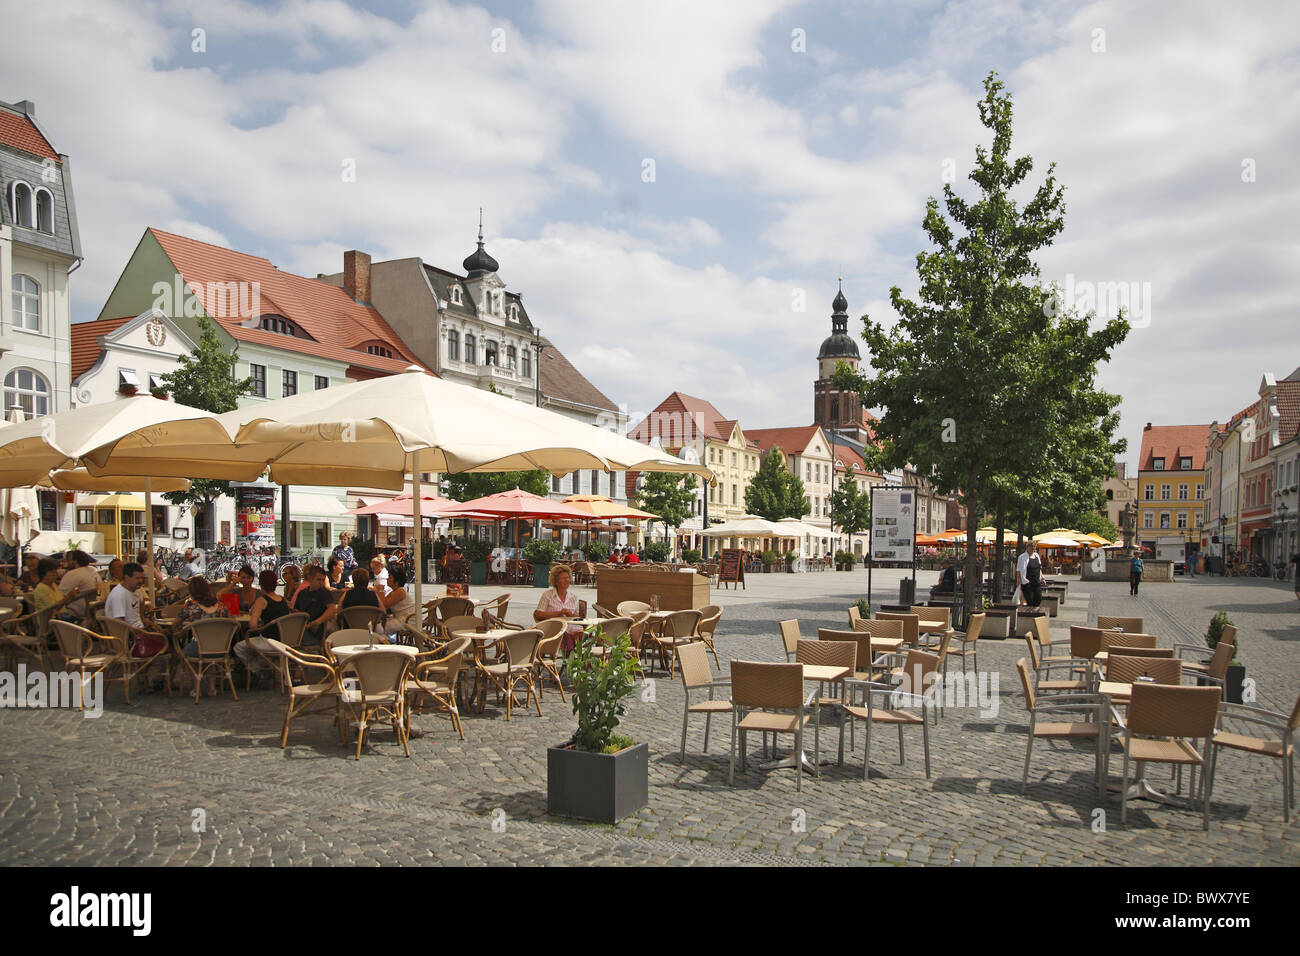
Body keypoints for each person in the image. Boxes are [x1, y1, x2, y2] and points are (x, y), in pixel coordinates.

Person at [234, 570, 291, 680]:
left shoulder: (261, 600)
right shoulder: (282, 600)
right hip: (283, 641)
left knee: (239, 647)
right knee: (256, 648)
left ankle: (256, 670)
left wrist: (260, 627)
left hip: (268, 641)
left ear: (261, 584)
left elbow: (252, 625)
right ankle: (266, 665)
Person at [105, 562, 167, 656]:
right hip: (129, 639)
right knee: (168, 642)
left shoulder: (137, 592)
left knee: (170, 636)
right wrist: (143, 632)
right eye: (137, 578)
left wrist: (153, 626)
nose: (141, 581)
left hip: (140, 632)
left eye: (142, 578)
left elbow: (141, 616)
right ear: (126, 577)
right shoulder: (118, 595)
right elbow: (120, 623)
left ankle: (150, 668)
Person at [534, 564, 585, 654]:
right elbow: (538, 614)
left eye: (568, 578)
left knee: (586, 635)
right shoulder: (548, 595)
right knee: (565, 636)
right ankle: (570, 658)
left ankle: (584, 660)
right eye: (563, 578)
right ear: (556, 581)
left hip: (572, 628)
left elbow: (579, 616)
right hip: (554, 629)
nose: (566, 580)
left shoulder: (574, 597)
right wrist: (558, 613)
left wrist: (570, 614)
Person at [32, 558, 90, 623]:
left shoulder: (53, 585)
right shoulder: (41, 588)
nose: (55, 574)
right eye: (51, 572)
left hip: (62, 616)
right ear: (43, 573)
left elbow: (61, 602)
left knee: (89, 621)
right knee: (86, 623)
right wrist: (69, 596)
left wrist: (72, 595)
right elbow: (54, 608)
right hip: (51, 621)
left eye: (55, 571)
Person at [293, 565, 339, 646]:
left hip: (315, 633)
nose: (321, 583)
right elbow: (296, 611)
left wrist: (317, 622)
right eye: (318, 580)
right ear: (310, 578)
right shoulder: (302, 593)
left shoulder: (323, 592)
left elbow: (332, 609)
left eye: (323, 580)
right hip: (302, 628)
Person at [59, 550, 101, 622]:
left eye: (68, 560)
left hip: (78, 611)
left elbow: (60, 594)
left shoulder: (73, 573)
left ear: (74, 561)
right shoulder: (92, 570)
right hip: (95, 607)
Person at [381, 566, 416, 640]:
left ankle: (386, 645)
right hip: (401, 618)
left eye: (389, 577)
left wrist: (380, 591)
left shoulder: (400, 591)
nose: (387, 579)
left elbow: (385, 604)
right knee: (379, 625)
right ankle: (386, 643)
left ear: (396, 581)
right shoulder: (394, 591)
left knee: (379, 628)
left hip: (407, 620)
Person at [1016, 541, 1043, 607]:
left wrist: (1042, 578)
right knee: (1029, 601)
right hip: (1027, 583)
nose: (1033, 548)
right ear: (1027, 547)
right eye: (1031, 547)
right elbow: (1019, 571)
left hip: (1037, 582)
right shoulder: (1022, 557)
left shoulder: (1037, 556)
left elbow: (1039, 568)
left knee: (1038, 598)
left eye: (1034, 547)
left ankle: (1033, 612)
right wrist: (1019, 584)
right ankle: (1030, 614)